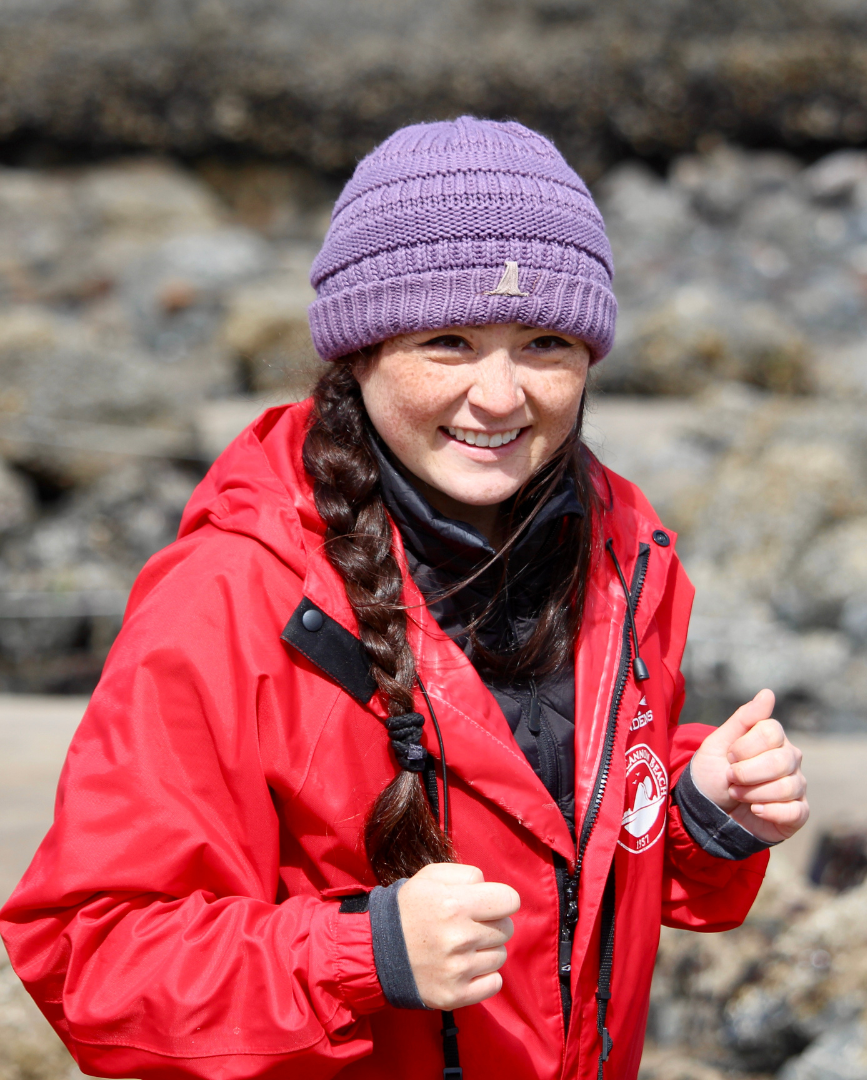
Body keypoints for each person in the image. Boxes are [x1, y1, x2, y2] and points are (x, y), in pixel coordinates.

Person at [0, 117, 808, 1080]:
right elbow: (92, 954)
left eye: (544, 340)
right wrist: (366, 953)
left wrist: (696, 813)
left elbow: (571, 864)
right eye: (449, 342)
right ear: (361, 350)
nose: (501, 396)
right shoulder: (230, 596)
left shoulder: (631, 557)